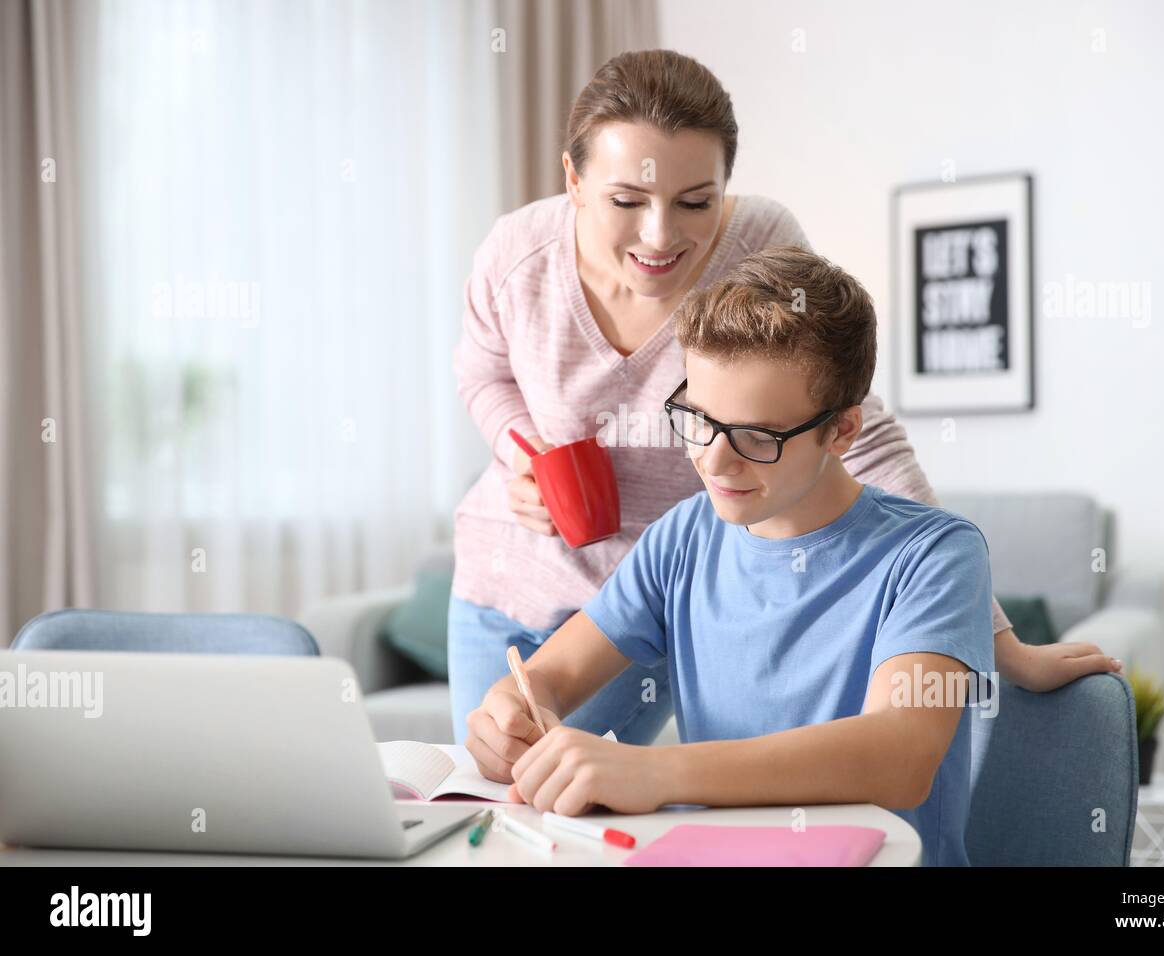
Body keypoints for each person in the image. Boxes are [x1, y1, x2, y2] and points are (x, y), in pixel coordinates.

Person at [449, 48, 1119, 747]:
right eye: (626, 201)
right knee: (495, 796)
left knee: (582, 811)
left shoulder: (759, 244)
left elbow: (851, 423)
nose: (660, 235)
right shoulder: (516, 254)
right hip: (500, 581)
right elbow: (482, 373)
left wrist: (998, 644)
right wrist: (522, 452)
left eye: (695, 201)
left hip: (642, 596)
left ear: (726, 187)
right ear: (574, 180)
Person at [466, 246, 1000, 866]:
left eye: (756, 436)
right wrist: (509, 707)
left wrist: (654, 773)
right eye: (698, 419)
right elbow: (550, 676)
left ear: (843, 430)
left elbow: (900, 756)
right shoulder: (683, 536)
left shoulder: (934, 554)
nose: (713, 461)